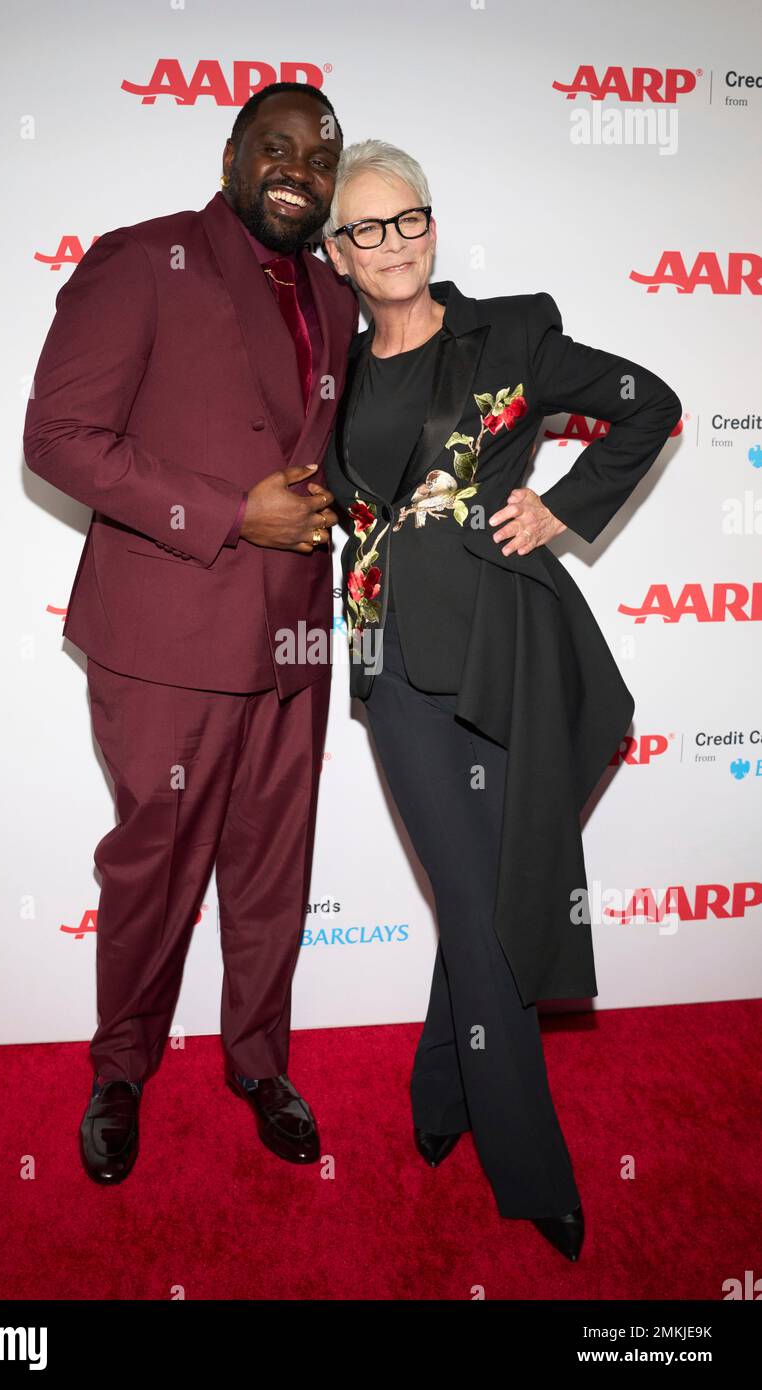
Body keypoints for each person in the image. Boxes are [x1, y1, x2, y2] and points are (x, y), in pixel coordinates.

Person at [322, 139, 681, 1261]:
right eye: (365, 228)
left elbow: (649, 401)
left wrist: (562, 506)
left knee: (489, 887)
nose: (392, 242)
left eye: (408, 218)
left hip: (514, 652)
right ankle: (531, 1169)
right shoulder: (323, 373)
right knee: (479, 903)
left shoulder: (512, 332)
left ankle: (440, 1091)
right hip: (396, 665)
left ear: (432, 225)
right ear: (335, 253)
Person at [23, 83, 359, 1184]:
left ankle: (259, 1062)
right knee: (153, 869)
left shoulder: (333, 292)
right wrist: (228, 513)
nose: (295, 170)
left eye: (318, 157)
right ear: (228, 155)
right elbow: (60, 438)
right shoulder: (143, 260)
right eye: (275, 146)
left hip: (295, 644)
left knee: (273, 868)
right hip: (168, 635)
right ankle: (119, 1070)